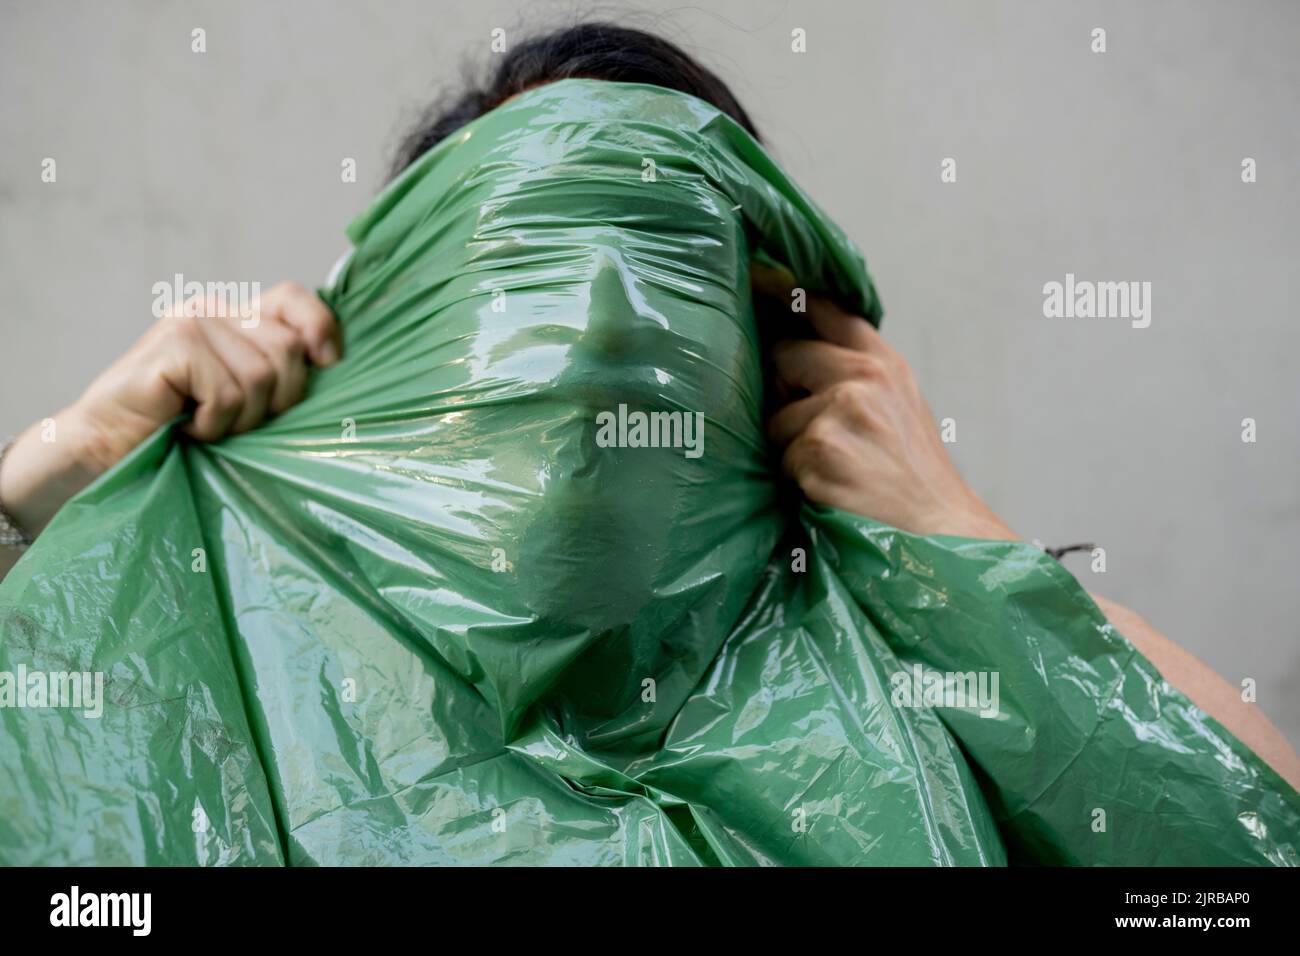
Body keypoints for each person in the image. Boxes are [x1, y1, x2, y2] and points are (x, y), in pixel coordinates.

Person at [1, 22, 1296, 791]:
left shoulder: (931, 638)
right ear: (389, 335)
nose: (599, 327)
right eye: (520, 266)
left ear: (771, 331)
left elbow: (1244, 836)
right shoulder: (245, 640)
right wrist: (50, 497)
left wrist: (961, 544)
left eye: (663, 265)